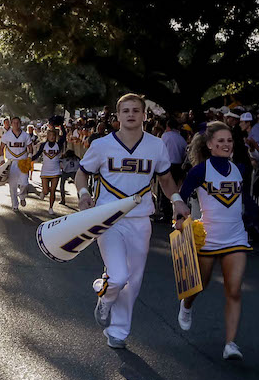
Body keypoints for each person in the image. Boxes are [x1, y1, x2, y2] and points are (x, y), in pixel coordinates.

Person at [74, 93, 185, 349]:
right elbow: (82, 174)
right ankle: (105, 294)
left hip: (140, 219)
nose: (131, 114)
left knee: (132, 281)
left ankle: (118, 332)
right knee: (119, 275)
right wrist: (83, 194)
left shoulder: (156, 146)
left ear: (145, 115)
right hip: (107, 218)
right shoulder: (102, 145)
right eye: (126, 110)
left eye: (136, 110)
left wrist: (177, 200)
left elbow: (166, 180)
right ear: (118, 115)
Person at [177, 122, 252, 360]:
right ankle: (187, 306)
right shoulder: (199, 171)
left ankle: (231, 343)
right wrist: (180, 218)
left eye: (229, 140)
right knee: (201, 284)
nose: (225, 145)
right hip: (208, 237)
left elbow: (245, 200)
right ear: (209, 145)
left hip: (236, 236)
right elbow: (182, 197)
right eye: (220, 141)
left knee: (234, 289)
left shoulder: (240, 168)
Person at [0, 115, 33, 211]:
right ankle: (15, 205)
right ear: (11, 124)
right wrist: (1, 159)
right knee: (12, 185)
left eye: (17, 122)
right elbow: (1, 148)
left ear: (20, 124)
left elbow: (30, 147)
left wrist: (29, 157)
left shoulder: (25, 135)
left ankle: (22, 196)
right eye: (14, 123)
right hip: (11, 162)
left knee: (25, 183)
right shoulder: (6, 135)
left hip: (23, 162)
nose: (16, 124)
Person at [36, 125, 63, 214]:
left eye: (53, 135)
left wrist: (61, 125)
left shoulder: (58, 144)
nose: (52, 137)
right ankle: (44, 192)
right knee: (46, 190)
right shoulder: (43, 145)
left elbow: (64, 136)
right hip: (45, 171)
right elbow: (37, 154)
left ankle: (51, 207)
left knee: (53, 190)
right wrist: (29, 159)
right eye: (50, 135)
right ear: (47, 136)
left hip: (56, 170)